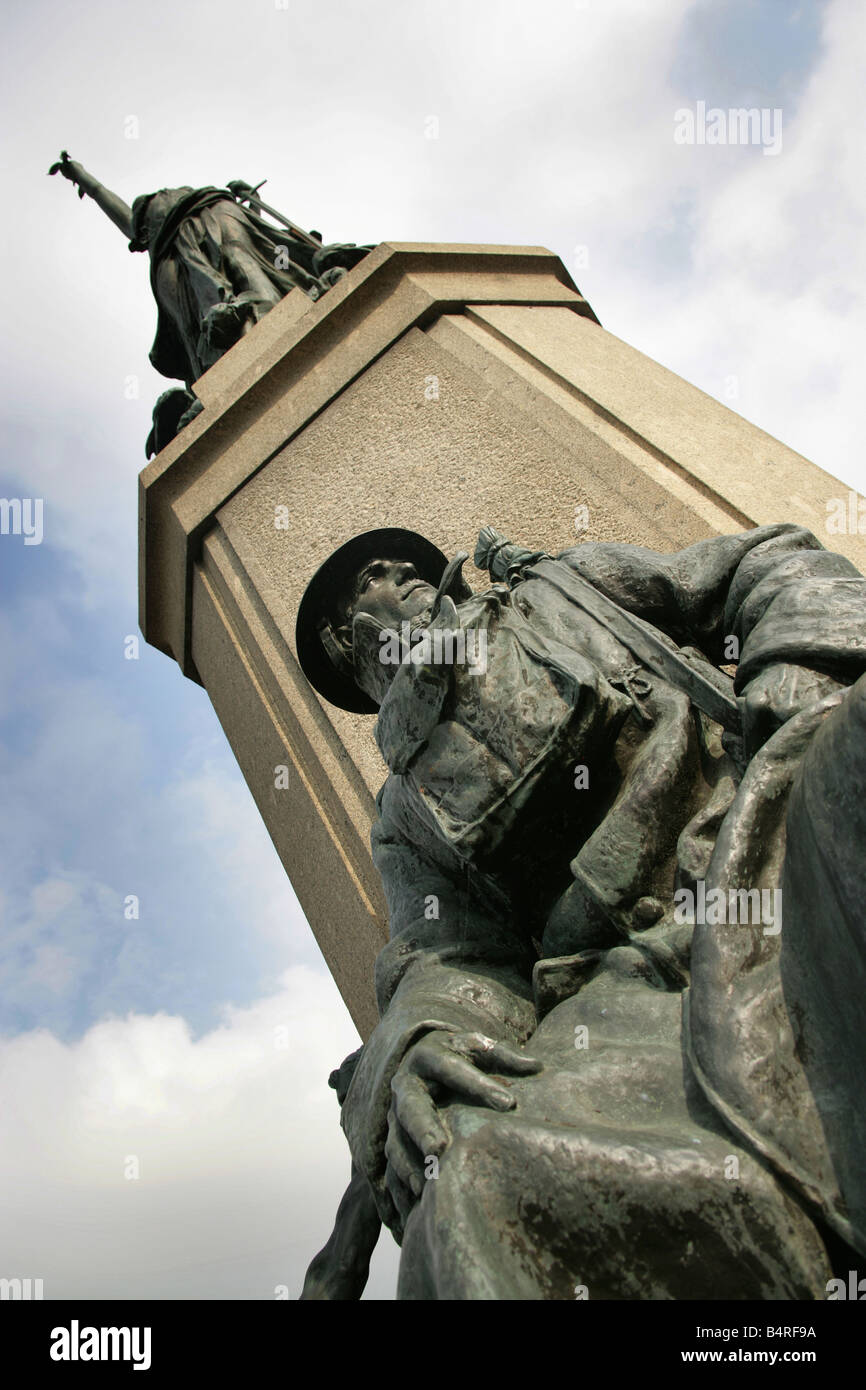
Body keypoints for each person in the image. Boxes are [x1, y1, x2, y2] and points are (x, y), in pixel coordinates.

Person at [297, 520, 866, 1299]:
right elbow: (449, 957)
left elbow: (758, 565)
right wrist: (420, 1042)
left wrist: (796, 680)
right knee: (475, 1179)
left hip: (773, 825)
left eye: (402, 563)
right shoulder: (404, 815)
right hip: (638, 988)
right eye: (370, 579)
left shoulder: (563, 589)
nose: (400, 569)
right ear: (345, 641)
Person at [50, 153, 370, 448]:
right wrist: (85, 181)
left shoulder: (200, 198)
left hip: (215, 210)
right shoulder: (148, 221)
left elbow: (257, 251)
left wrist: (252, 202)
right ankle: (221, 372)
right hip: (172, 251)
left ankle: (278, 321)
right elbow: (124, 218)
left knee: (246, 262)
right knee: (201, 318)